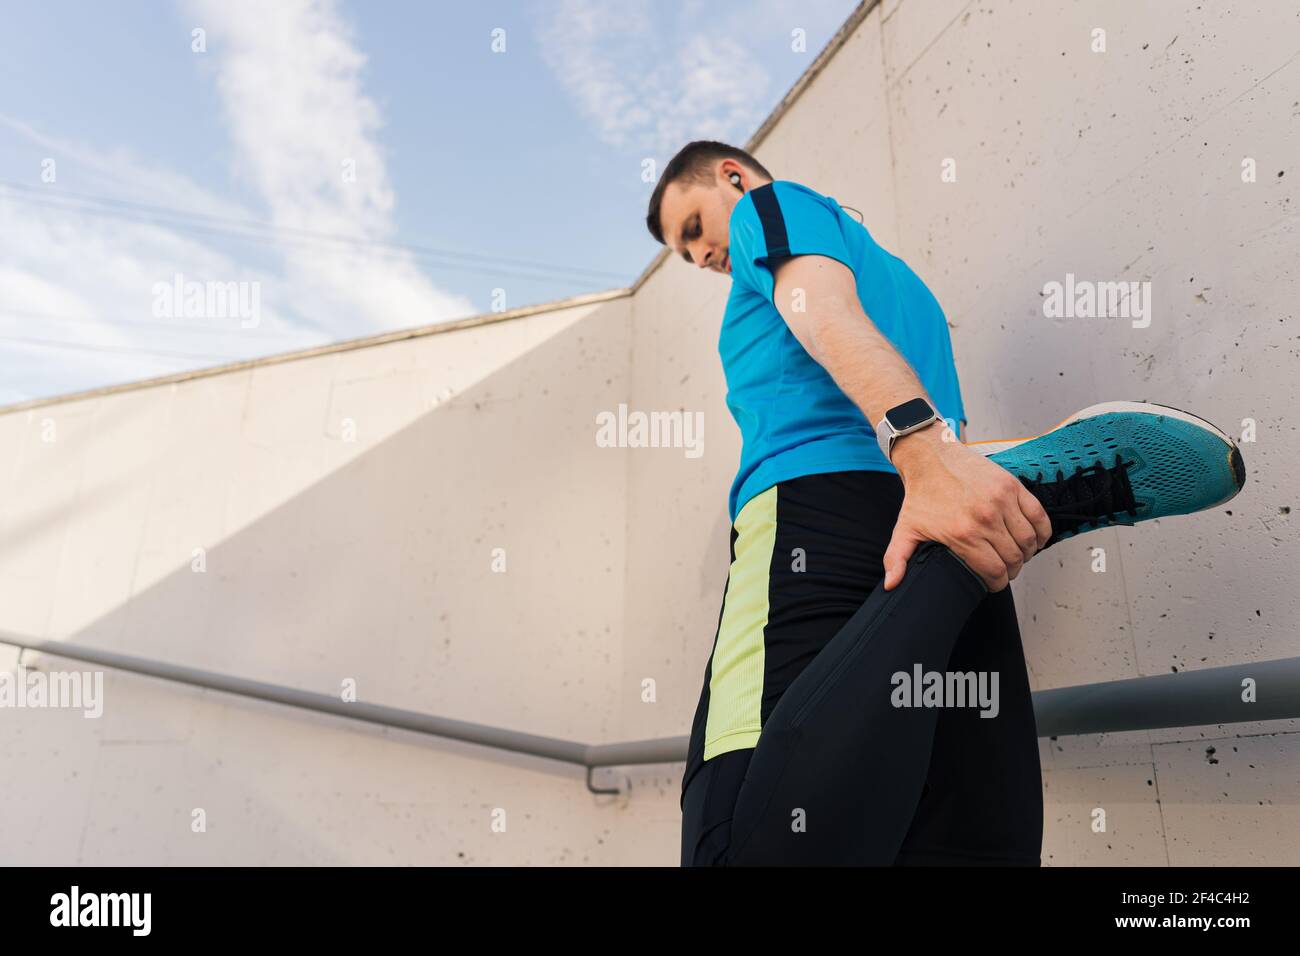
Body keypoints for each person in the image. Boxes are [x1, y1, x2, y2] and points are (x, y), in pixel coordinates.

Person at [644, 140, 1246, 866]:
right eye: (686, 253)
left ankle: (1018, 502)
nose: (701, 253)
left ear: (734, 178)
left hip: (820, 513)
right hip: (942, 517)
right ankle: (1006, 510)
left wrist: (921, 451)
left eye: (694, 227)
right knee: (964, 836)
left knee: (739, 842)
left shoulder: (772, 208)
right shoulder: (904, 286)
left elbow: (821, 313)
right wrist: (955, 478)